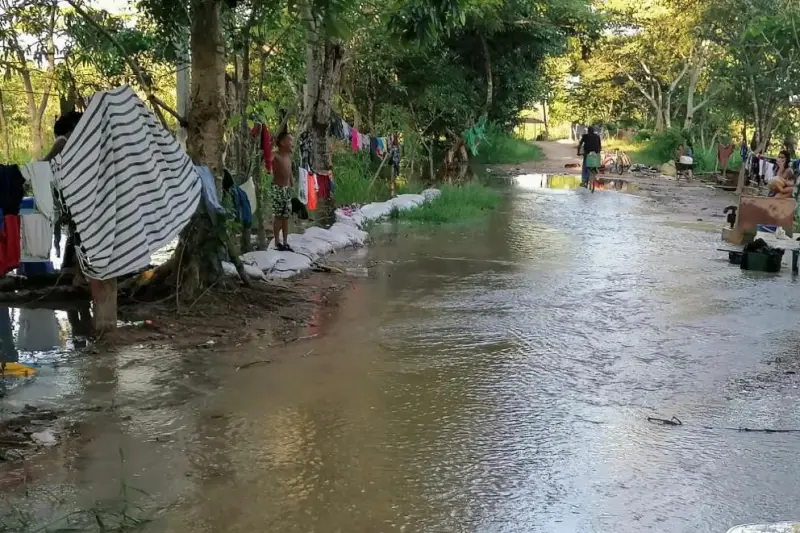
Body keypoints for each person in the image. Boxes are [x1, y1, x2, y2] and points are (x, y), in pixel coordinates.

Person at [271, 131, 294, 252]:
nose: (292, 143)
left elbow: (289, 173)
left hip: (287, 189)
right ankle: (277, 242)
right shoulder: (276, 155)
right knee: (278, 216)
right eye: (289, 140)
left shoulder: (288, 157)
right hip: (277, 188)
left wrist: (292, 185)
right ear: (282, 142)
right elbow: (268, 160)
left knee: (286, 217)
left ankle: (285, 242)